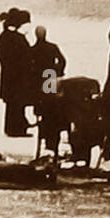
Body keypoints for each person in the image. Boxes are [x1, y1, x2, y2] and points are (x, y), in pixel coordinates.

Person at [27, 25, 67, 155]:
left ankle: (45, 136)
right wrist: (58, 71)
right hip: (50, 77)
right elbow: (62, 60)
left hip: (38, 80)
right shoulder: (52, 47)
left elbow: (28, 65)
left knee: (43, 108)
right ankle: (51, 140)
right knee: (52, 105)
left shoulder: (32, 50)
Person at [0, 8, 33, 137]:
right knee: (17, 103)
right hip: (18, 78)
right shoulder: (16, 38)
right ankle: (17, 128)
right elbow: (27, 56)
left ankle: (13, 127)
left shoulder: (4, 36)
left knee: (12, 104)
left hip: (8, 77)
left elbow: (0, 54)